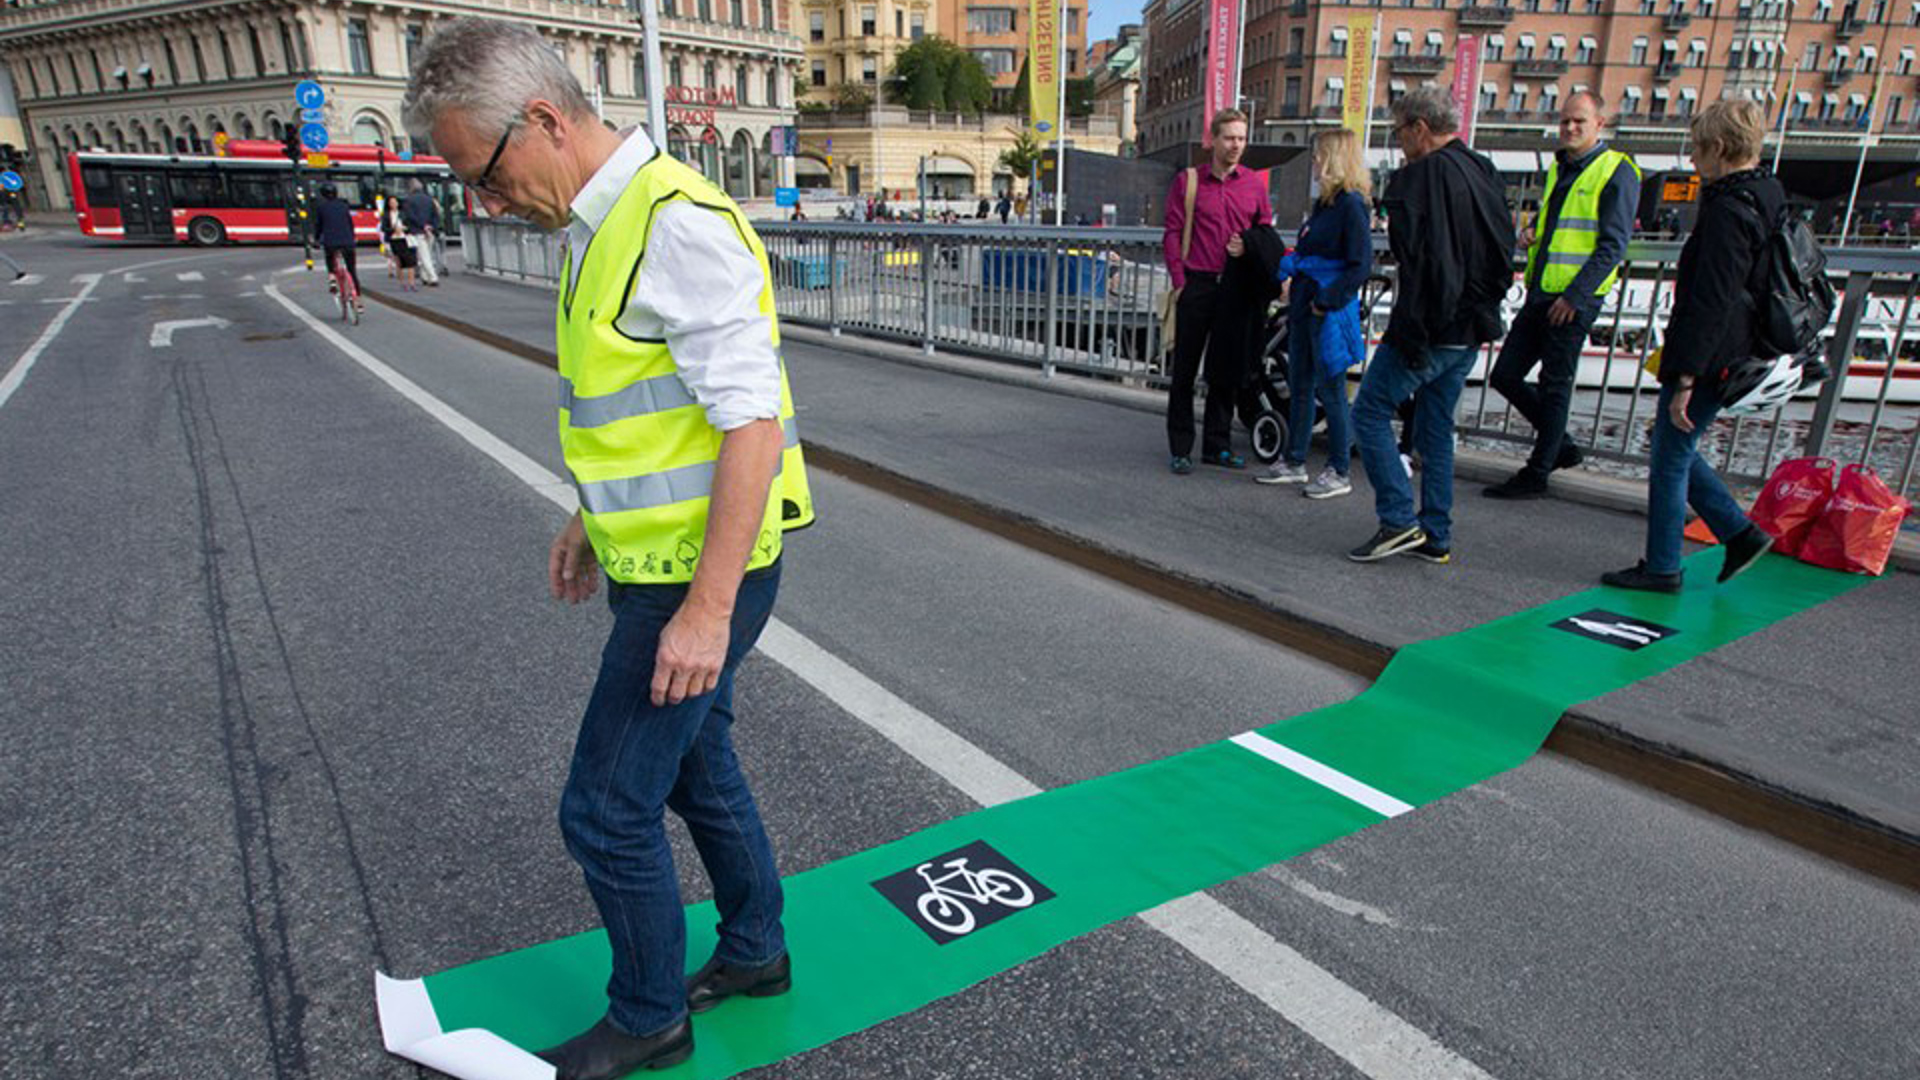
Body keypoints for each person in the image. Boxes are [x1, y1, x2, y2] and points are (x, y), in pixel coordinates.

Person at [403, 19, 815, 1078]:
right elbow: (641, 405)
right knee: (696, 762)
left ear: (542, 120)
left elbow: (749, 424)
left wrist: (708, 609)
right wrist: (592, 515)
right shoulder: (600, 221)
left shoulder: (672, 222)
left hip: (696, 573)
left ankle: (648, 1015)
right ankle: (758, 951)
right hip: (655, 556)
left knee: (604, 806)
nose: (482, 205)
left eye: (480, 175)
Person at [1602, 100, 1778, 592]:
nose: (1694, 162)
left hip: (1712, 356)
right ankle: (1737, 533)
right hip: (1740, 348)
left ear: (1718, 149)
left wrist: (1683, 377)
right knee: (1675, 449)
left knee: (1670, 454)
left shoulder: (1726, 210)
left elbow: (1709, 301)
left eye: (1698, 150)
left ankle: (1665, 565)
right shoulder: (1765, 194)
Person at [1348, 86, 1515, 564]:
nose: (1399, 142)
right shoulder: (1481, 168)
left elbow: (1424, 262)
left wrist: (1415, 332)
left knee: (1371, 411)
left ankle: (1399, 519)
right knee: (1437, 428)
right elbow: (1502, 249)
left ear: (1420, 128)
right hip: (1473, 324)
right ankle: (1435, 532)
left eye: (1399, 132)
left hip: (1432, 324)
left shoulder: (1420, 178)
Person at [1484, 92, 1641, 500]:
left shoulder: (1615, 170)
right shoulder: (1561, 167)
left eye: (1579, 122)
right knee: (1505, 375)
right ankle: (1560, 447)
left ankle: (1539, 470)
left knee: (1555, 385)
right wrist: (1534, 231)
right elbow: (1561, 222)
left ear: (1599, 124)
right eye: (1566, 121)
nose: (1570, 128)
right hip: (1543, 292)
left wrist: (1574, 296)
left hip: (1572, 300)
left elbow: (1612, 245)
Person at [1257, 128, 1371, 498]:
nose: (1315, 163)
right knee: (1302, 383)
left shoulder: (1350, 205)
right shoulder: (1328, 204)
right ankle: (1295, 461)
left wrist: (1325, 300)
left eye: (1319, 156)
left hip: (1324, 308)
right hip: (1309, 302)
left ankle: (1338, 467)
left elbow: (1359, 265)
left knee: (1331, 390)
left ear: (1334, 159)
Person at [1161, 107, 1274, 474]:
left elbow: (1266, 230)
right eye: (1229, 138)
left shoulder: (1254, 183)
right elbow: (1173, 231)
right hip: (1198, 284)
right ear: (1214, 140)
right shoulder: (1189, 181)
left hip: (1236, 289)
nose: (1236, 145)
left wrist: (1251, 246)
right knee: (1185, 370)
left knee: (1225, 371)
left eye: (1242, 138)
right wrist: (1180, 282)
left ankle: (1217, 445)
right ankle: (1180, 447)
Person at [310, 182, 364, 314]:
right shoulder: (344, 206)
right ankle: (359, 302)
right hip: (348, 242)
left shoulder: (321, 207)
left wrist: (316, 240)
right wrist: (352, 238)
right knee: (352, 271)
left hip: (331, 242)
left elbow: (319, 226)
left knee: (330, 258)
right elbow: (350, 224)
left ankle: (332, 278)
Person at [401, 178, 441, 284]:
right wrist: (432, 226)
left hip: (417, 231)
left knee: (423, 255)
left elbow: (410, 217)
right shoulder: (429, 199)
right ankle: (424, 276)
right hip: (430, 231)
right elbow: (436, 215)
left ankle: (433, 277)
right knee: (427, 253)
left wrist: (423, 226)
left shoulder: (409, 201)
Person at [383, 194, 420, 290]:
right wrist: (393, 230)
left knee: (410, 262)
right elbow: (384, 228)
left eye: (395, 202)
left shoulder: (404, 213)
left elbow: (411, 225)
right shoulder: (386, 215)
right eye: (391, 203)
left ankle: (412, 283)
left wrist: (404, 229)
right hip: (395, 240)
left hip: (406, 239)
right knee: (399, 261)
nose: (393, 204)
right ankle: (402, 283)